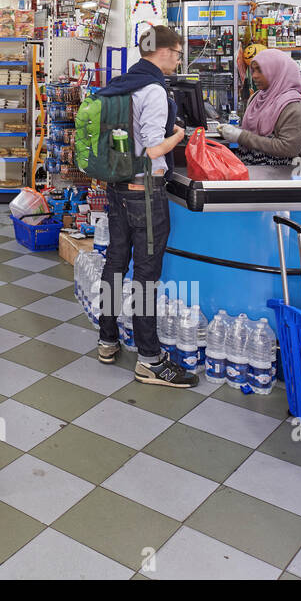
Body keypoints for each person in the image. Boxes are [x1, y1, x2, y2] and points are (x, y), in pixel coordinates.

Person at [95, 25, 196, 388]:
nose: (179, 60)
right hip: (145, 190)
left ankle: (107, 340)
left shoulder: (124, 83)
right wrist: (178, 136)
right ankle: (149, 360)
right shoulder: (153, 89)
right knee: (147, 276)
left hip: (118, 187)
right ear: (164, 51)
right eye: (178, 53)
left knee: (115, 263)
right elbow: (151, 149)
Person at [219, 48, 301, 169]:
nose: (255, 76)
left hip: (282, 177)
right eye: (253, 70)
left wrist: (241, 136)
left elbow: (289, 148)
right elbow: (253, 133)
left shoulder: (291, 106)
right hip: (254, 171)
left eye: (261, 71)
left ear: (277, 72)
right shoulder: (256, 98)